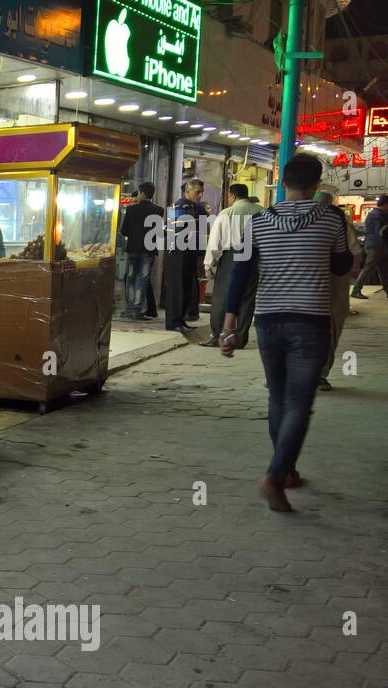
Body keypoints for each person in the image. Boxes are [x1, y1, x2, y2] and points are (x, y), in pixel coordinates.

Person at [220, 154, 353, 512]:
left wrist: (229, 328)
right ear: (316, 185)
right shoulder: (331, 218)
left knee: (277, 397)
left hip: (268, 319)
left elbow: (240, 273)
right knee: (299, 402)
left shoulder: (259, 221)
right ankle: (275, 475)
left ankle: (287, 470)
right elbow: (343, 266)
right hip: (309, 319)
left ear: (282, 183)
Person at [201, 183, 263, 348]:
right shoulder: (261, 212)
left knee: (222, 298)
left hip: (232, 257)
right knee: (247, 299)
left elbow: (215, 242)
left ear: (233, 196)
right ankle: (240, 338)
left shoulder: (226, 213)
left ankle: (217, 336)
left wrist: (208, 265)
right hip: (254, 256)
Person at [314, 194, 357, 390]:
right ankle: (320, 375)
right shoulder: (337, 220)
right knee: (329, 329)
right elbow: (354, 252)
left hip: (303, 286)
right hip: (334, 285)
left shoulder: (291, 219)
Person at [163, 179, 207, 332]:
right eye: (197, 192)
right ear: (187, 191)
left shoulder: (197, 208)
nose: (200, 195)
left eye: (201, 192)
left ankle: (181, 319)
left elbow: (203, 228)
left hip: (191, 253)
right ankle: (173, 322)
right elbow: (178, 230)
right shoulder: (178, 206)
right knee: (177, 287)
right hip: (178, 252)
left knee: (187, 287)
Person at [119, 182, 164, 320]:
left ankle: (130, 308)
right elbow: (159, 232)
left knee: (131, 277)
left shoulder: (131, 210)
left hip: (133, 249)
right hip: (148, 250)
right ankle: (137, 310)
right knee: (142, 279)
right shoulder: (158, 210)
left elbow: (123, 230)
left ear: (142, 193)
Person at [352, 195, 388, 299]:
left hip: (377, 244)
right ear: (385, 204)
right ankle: (356, 290)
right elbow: (381, 231)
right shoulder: (377, 215)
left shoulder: (378, 213)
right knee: (368, 268)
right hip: (375, 244)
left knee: (382, 268)